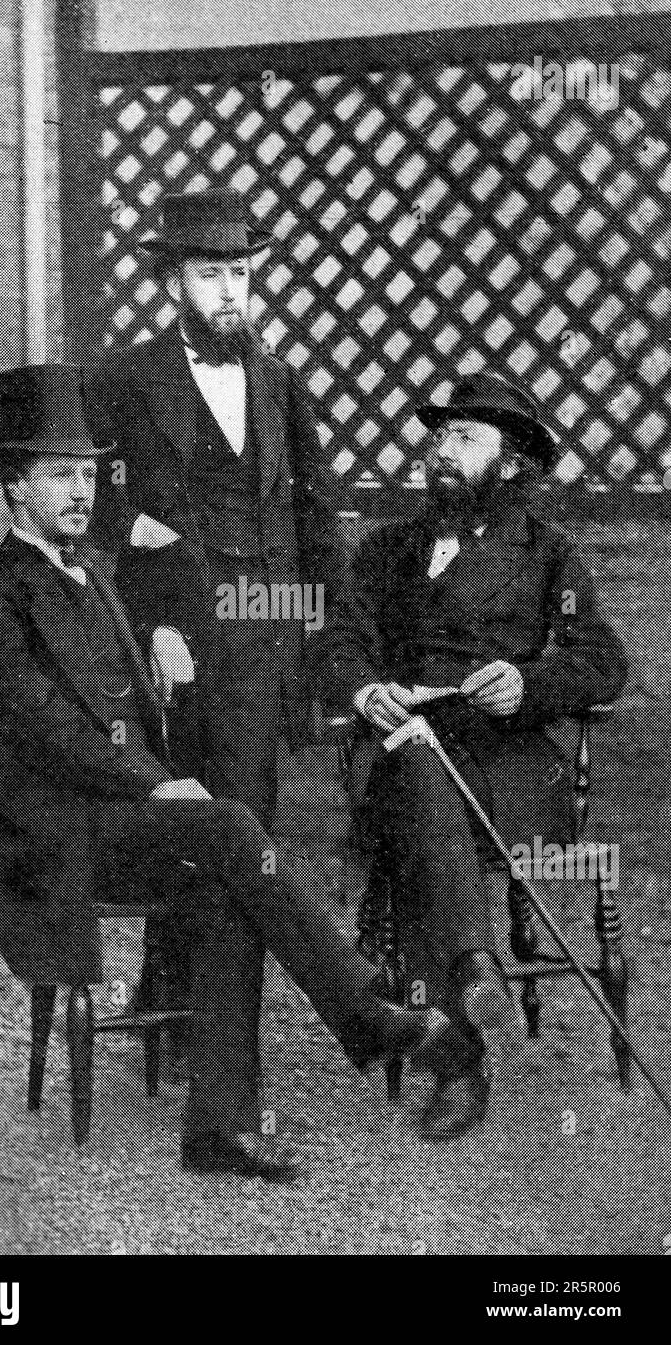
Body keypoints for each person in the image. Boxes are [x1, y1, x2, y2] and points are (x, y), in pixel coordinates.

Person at [0, 362, 458, 1182]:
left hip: (112, 823)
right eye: (57, 475)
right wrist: (152, 781)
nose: (81, 491)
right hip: (43, 838)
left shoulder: (99, 578)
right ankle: (368, 1016)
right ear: (12, 485)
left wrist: (157, 654)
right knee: (225, 823)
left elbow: (119, 706)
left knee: (229, 874)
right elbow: (39, 731)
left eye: (88, 473)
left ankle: (218, 1128)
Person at [320, 372, 629, 1140]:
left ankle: (460, 1039)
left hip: (513, 769)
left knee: (424, 817)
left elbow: (602, 663)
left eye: (464, 437)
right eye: (439, 435)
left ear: (512, 461)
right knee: (418, 766)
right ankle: (472, 976)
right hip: (406, 750)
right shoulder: (389, 549)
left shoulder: (546, 554)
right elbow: (335, 642)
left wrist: (527, 681)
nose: (440, 450)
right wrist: (364, 693)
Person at [84, 185, 341, 1081]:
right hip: (176, 642)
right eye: (208, 273)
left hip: (263, 640)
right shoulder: (125, 378)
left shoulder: (276, 382)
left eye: (238, 272)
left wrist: (321, 642)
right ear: (174, 283)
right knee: (193, 815)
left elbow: (316, 517)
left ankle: (202, 1024)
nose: (228, 290)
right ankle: (191, 1019)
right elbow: (81, 494)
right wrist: (129, 534)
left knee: (237, 821)